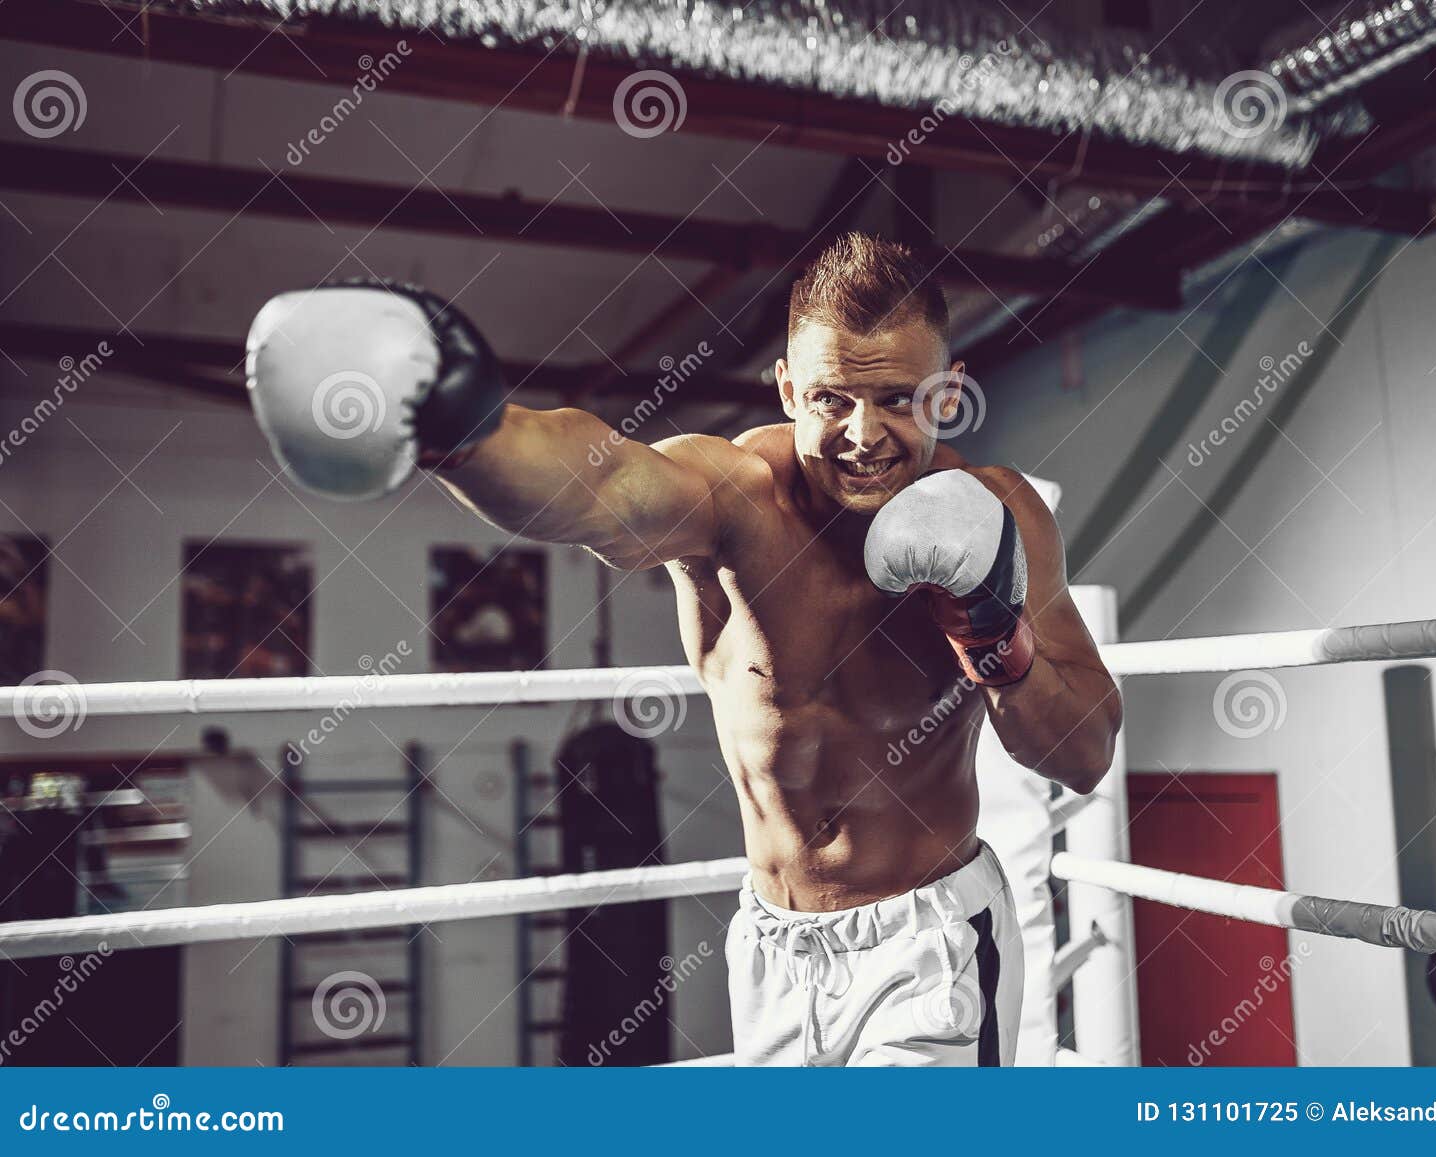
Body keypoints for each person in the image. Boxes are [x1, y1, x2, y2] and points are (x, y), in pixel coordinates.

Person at [245, 232, 1122, 1065]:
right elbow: (599, 481)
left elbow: (1083, 753)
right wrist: (468, 432)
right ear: (786, 390)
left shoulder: (996, 512)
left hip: (932, 951)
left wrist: (996, 637)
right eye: (831, 399)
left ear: (945, 389)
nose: (862, 435)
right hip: (774, 950)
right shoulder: (738, 500)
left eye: (896, 397)